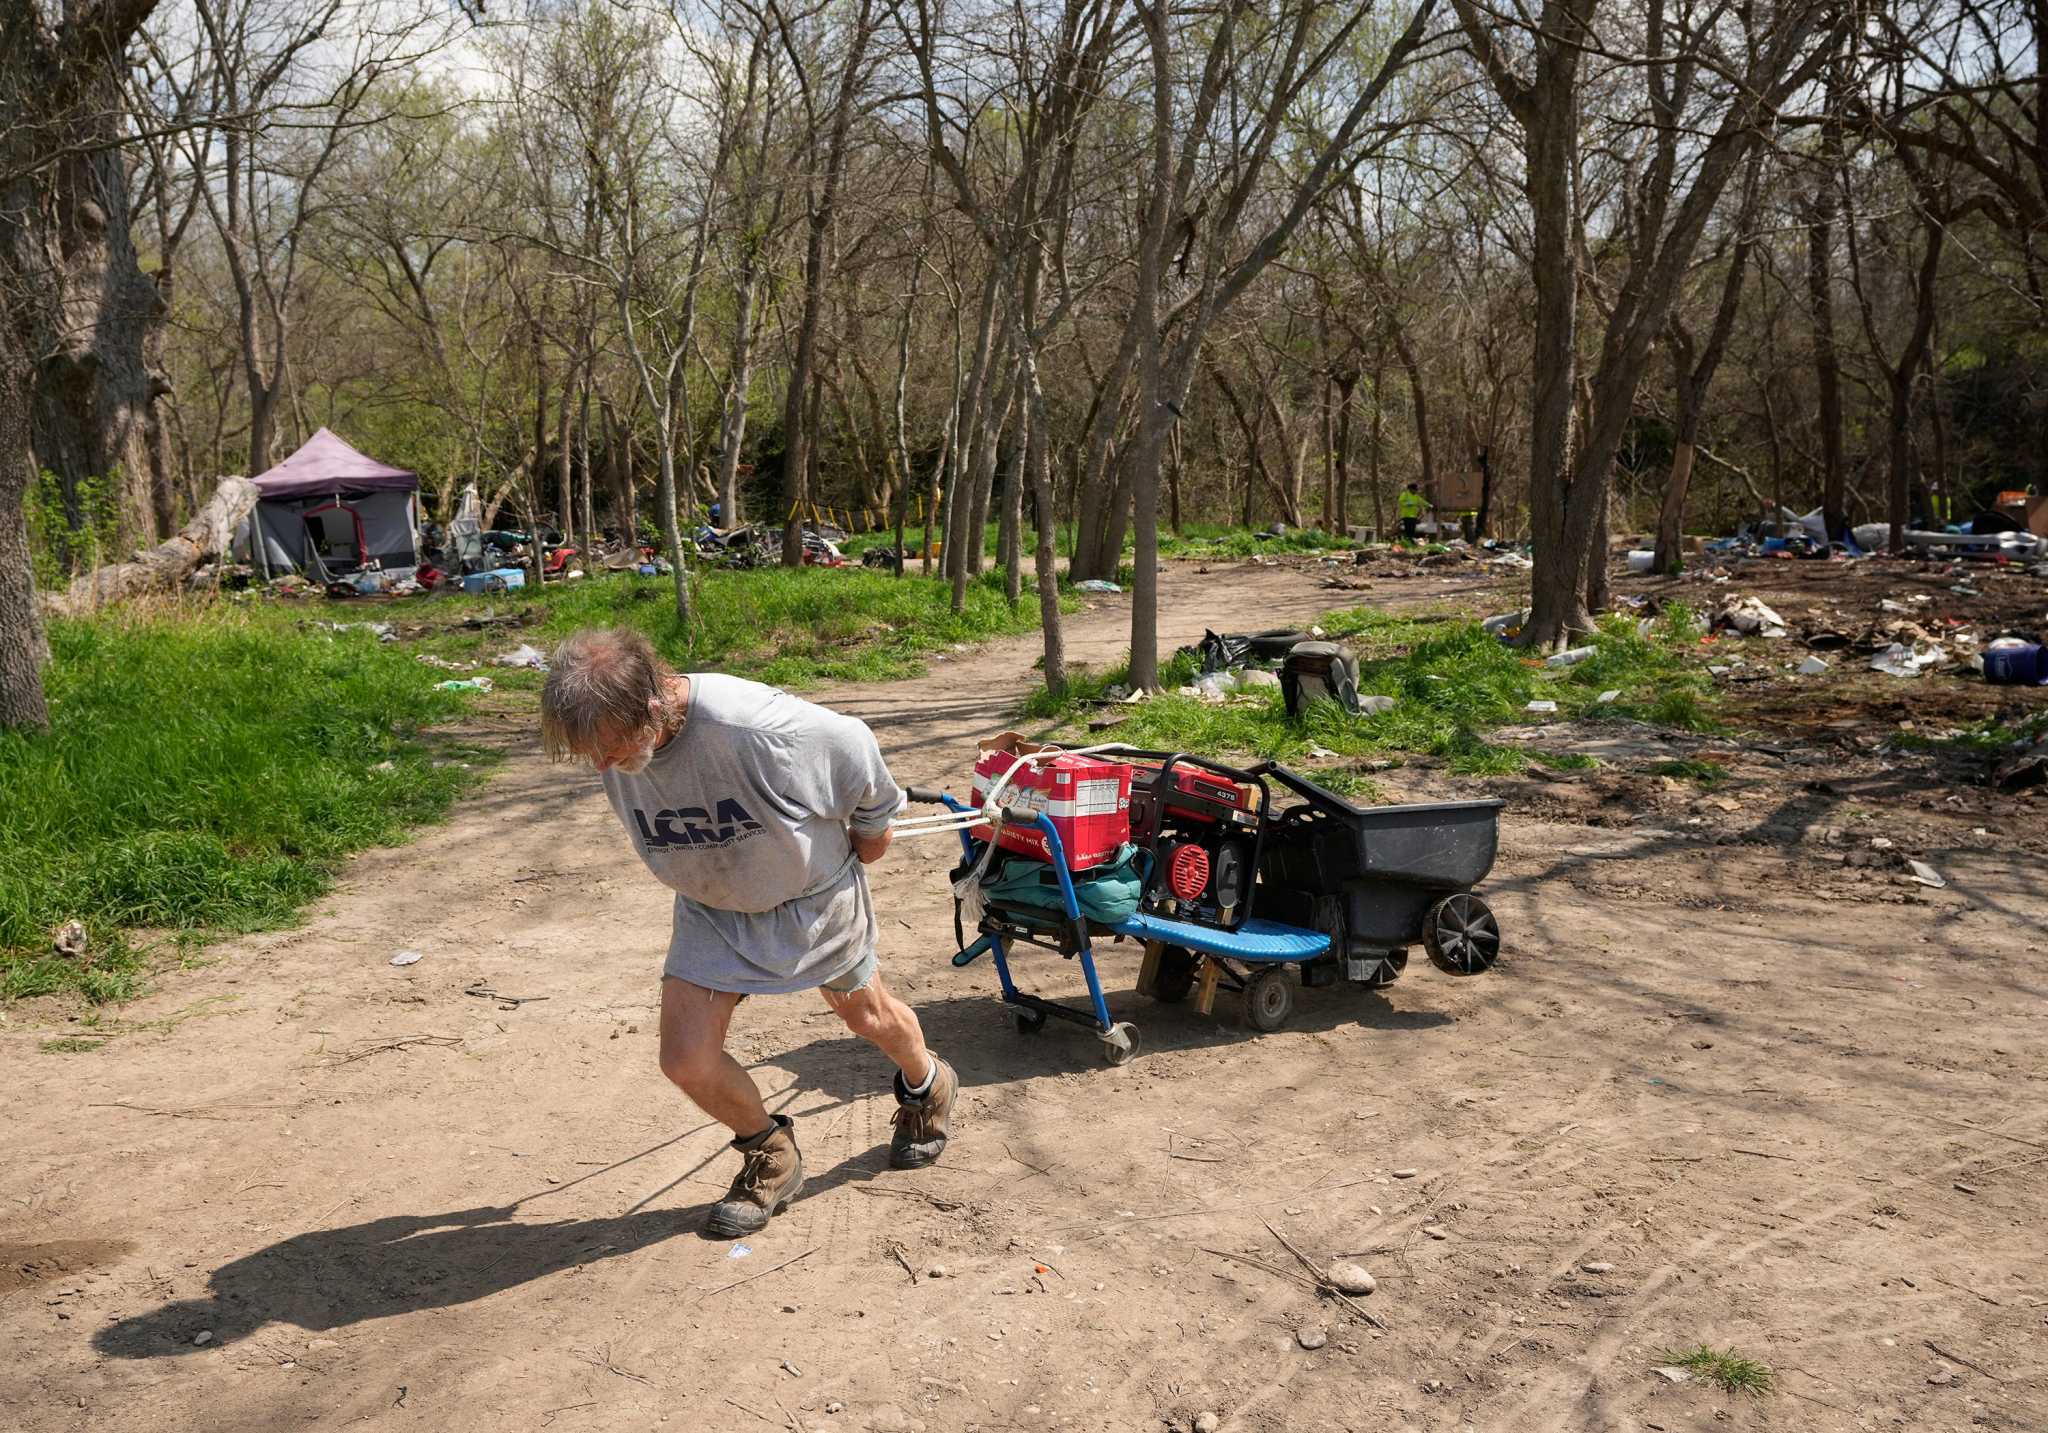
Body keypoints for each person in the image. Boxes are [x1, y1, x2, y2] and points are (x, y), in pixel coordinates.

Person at [540, 628, 957, 1237]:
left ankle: (928, 1085)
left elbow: (854, 746)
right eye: (590, 753)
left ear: (653, 705)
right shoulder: (618, 734)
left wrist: (871, 834)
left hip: (808, 901)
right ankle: (770, 1151)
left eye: (611, 747)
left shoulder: (756, 727)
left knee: (867, 1018)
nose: (603, 766)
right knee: (686, 1060)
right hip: (710, 908)